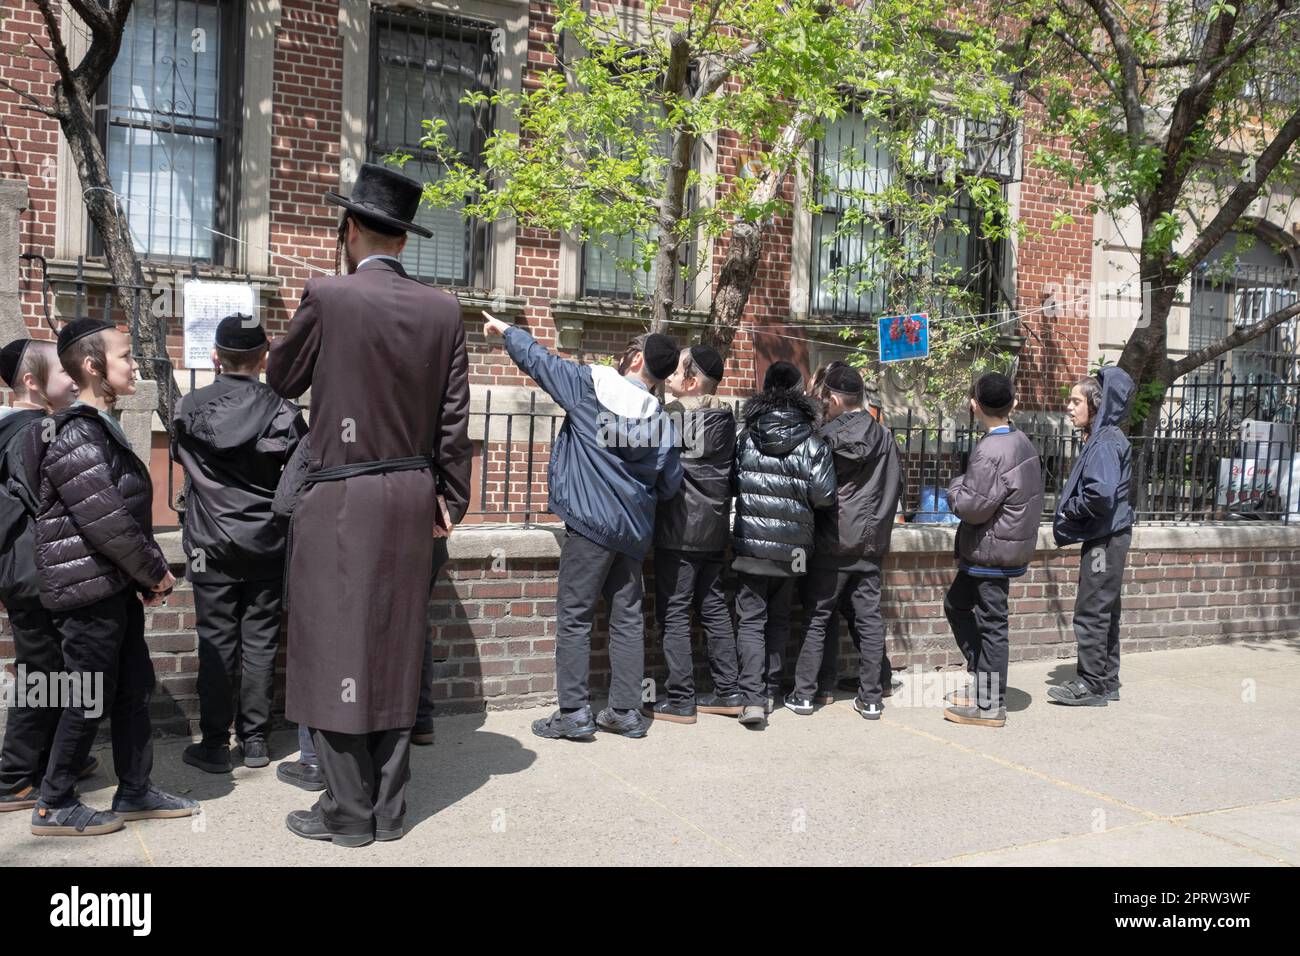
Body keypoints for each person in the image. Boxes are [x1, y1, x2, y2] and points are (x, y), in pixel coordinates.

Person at [267, 163, 472, 847]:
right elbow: (453, 423)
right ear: (405, 240)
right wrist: (450, 498)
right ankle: (387, 810)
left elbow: (280, 377)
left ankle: (347, 814)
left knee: (334, 650)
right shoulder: (444, 312)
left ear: (349, 228)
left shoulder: (328, 296)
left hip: (342, 491)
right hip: (413, 495)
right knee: (394, 646)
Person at [26, 319, 197, 835]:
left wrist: (139, 579)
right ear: (93, 366)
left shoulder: (100, 426)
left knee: (132, 689)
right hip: (88, 593)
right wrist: (155, 574)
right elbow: (108, 523)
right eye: (125, 356)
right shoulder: (76, 432)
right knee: (87, 696)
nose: (135, 365)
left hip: (111, 588)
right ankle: (53, 803)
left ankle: (136, 789)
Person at [483, 312, 682, 741]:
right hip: (630, 531)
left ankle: (574, 713)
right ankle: (626, 711)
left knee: (574, 617)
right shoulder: (662, 423)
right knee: (627, 620)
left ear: (633, 362)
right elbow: (668, 484)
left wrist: (508, 331)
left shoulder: (590, 386)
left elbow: (540, 362)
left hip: (589, 524)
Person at [172, 315, 306, 774]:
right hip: (267, 542)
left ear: (215, 356)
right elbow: (299, 478)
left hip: (209, 543)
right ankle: (254, 742)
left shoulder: (188, 407)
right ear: (264, 358)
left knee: (215, 642)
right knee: (262, 642)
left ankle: (213, 745)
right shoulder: (286, 413)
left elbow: (184, 460)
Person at [0, 339, 98, 812]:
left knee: (53, 669)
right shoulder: (33, 432)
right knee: (42, 673)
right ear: (31, 382)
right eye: (64, 370)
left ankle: (57, 759)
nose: (75, 377)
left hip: (28, 571)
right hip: (38, 571)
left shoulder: (16, 428)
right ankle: (16, 776)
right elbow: (56, 503)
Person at [789, 362, 901, 721]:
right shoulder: (884, 437)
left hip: (832, 541)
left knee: (817, 617)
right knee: (868, 619)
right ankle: (871, 698)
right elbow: (895, 486)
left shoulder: (823, 438)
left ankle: (806, 693)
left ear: (835, 399)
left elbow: (813, 489)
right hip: (870, 543)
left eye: (827, 398)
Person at [731, 361, 836, 729]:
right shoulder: (813, 440)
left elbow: (732, 484)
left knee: (750, 621)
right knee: (779, 619)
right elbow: (824, 496)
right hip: (793, 550)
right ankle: (771, 689)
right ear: (798, 390)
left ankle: (752, 699)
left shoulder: (745, 436)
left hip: (751, 545)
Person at [942, 372, 1043, 729]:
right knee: (957, 604)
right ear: (1013, 403)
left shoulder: (990, 450)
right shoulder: (1021, 441)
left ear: (974, 405)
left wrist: (954, 488)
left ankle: (990, 703)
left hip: (991, 551)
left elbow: (973, 506)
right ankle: (983, 678)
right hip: (998, 548)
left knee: (991, 623)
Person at [648, 345, 740, 723]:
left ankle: (681, 698)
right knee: (714, 609)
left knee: (674, 613)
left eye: (676, 370)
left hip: (678, 530)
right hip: (714, 530)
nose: (669, 374)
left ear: (692, 380)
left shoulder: (671, 418)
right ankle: (729, 691)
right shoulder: (727, 419)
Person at [1049, 367, 1135, 707]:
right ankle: (1107, 681)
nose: (1069, 407)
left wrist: (1070, 509)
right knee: (1106, 611)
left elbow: (1100, 495)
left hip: (1105, 538)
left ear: (1095, 405)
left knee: (1091, 610)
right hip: (1111, 535)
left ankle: (1092, 684)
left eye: (1075, 401)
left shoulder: (1104, 443)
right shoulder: (1107, 437)